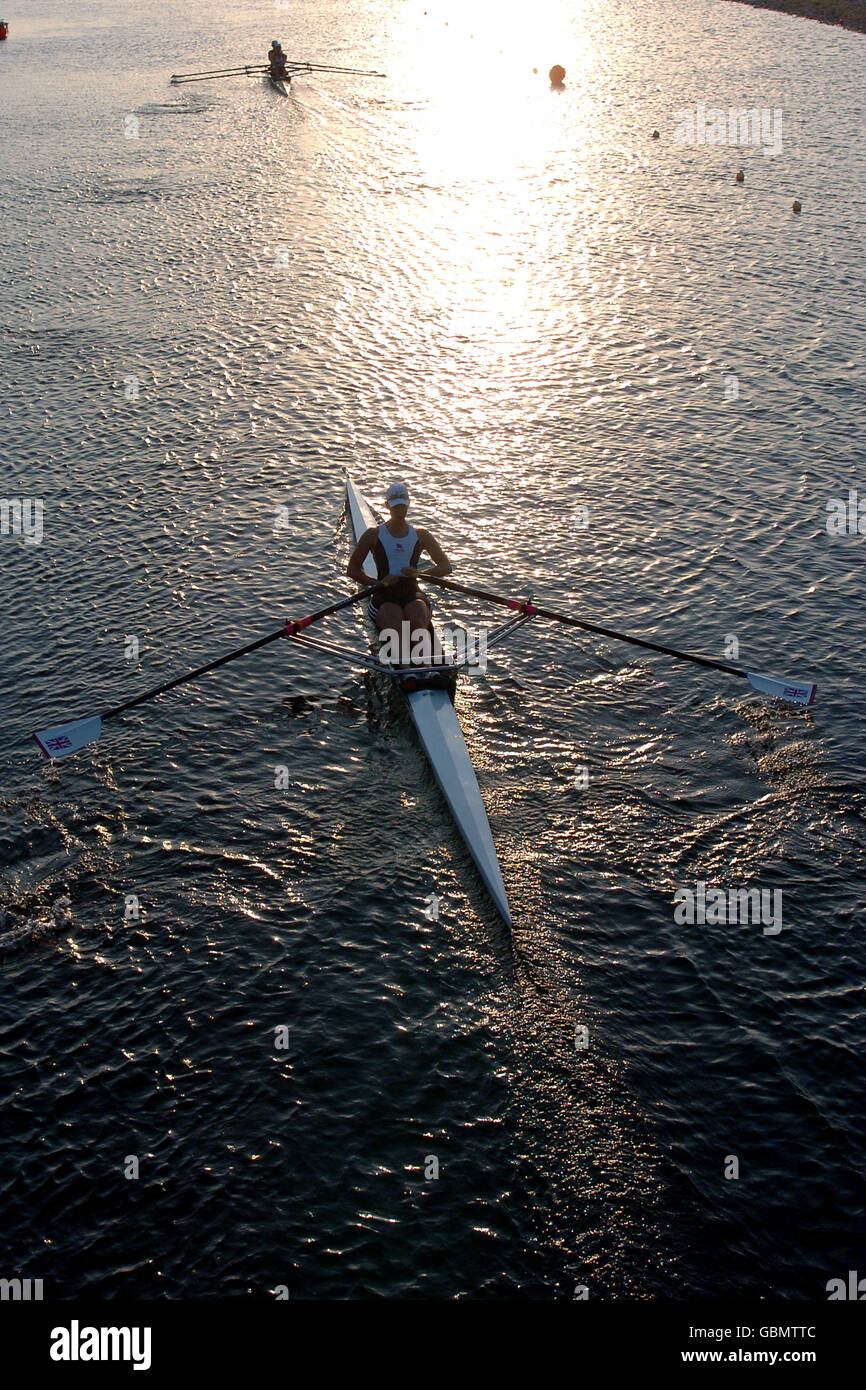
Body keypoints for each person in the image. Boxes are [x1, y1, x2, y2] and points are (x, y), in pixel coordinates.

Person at [347, 481, 453, 664]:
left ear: (409, 504)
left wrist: (418, 574)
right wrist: (377, 583)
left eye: (403, 505)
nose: (399, 510)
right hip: (383, 595)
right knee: (396, 627)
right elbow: (353, 570)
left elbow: (445, 566)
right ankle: (407, 673)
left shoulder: (421, 535)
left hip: (412, 592)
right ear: (387, 505)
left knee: (418, 621)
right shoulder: (373, 534)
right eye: (395, 506)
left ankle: (430, 669)